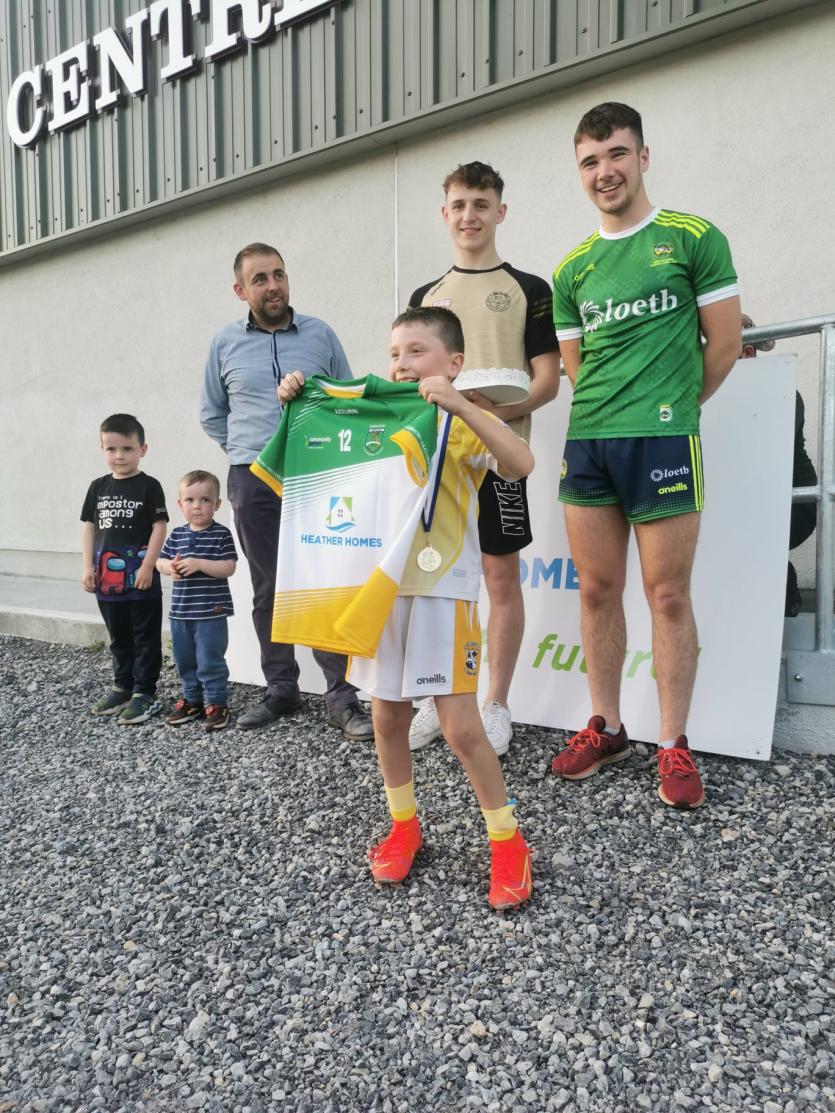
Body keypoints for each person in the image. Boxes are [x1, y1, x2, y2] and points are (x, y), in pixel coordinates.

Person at [278, 306, 535, 909]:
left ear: (453, 363)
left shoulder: (462, 420)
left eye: (417, 352)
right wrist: (296, 395)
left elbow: (520, 465)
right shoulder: (375, 420)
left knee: (460, 728)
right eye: (395, 353)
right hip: (382, 593)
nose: (401, 364)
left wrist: (464, 404)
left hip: (443, 592)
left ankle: (508, 842)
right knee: (388, 720)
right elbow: (320, 449)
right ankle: (404, 824)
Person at [549, 102, 742, 808]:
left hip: (662, 437)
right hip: (589, 442)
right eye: (591, 161)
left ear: (642, 156)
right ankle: (605, 725)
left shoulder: (692, 237)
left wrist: (676, 407)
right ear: (580, 171)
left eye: (617, 154)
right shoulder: (571, 267)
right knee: (596, 590)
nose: (605, 171)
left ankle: (673, 742)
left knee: (665, 594)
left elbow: (720, 346)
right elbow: (575, 367)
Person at [408, 161, 559, 756]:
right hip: (436, 465)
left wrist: (484, 408)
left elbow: (547, 380)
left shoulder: (531, 289)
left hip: (497, 462)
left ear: (501, 211)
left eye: (481, 203)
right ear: (445, 214)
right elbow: (407, 372)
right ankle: (431, 694)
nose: (469, 216)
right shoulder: (426, 296)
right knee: (432, 579)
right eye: (459, 205)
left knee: (500, 579)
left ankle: (496, 703)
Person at [200, 242, 374, 739]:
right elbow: (213, 413)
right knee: (268, 586)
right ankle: (281, 688)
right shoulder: (223, 343)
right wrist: (246, 451)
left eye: (278, 274)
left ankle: (341, 696)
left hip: (316, 474)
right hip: (252, 478)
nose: (272, 285)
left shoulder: (320, 335)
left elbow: (348, 398)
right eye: (259, 279)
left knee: (322, 580)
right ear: (241, 290)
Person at [81, 413, 168, 725]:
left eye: (127, 449)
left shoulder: (149, 486)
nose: (119, 456)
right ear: (103, 450)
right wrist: (87, 567)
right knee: (119, 636)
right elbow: (90, 529)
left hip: (141, 580)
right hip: (106, 580)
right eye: (111, 449)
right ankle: (123, 686)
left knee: (144, 636)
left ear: (142, 449)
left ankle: (145, 692)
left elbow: (160, 527)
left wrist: (148, 567)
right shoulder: (97, 487)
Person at [741, 313, 817, 617]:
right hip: (754, 495)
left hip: (792, 501)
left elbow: (761, 452)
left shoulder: (783, 391)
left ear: (747, 352)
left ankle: (783, 582)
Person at [157, 470, 238, 731]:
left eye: (204, 500)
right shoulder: (177, 534)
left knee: (209, 658)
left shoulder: (221, 534)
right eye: (190, 500)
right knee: (184, 659)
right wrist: (169, 566)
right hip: (180, 613)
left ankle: (216, 702)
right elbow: (159, 561)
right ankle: (192, 700)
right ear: (180, 504)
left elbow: (229, 567)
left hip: (210, 613)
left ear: (216, 505)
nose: (197, 506)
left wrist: (200, 564)